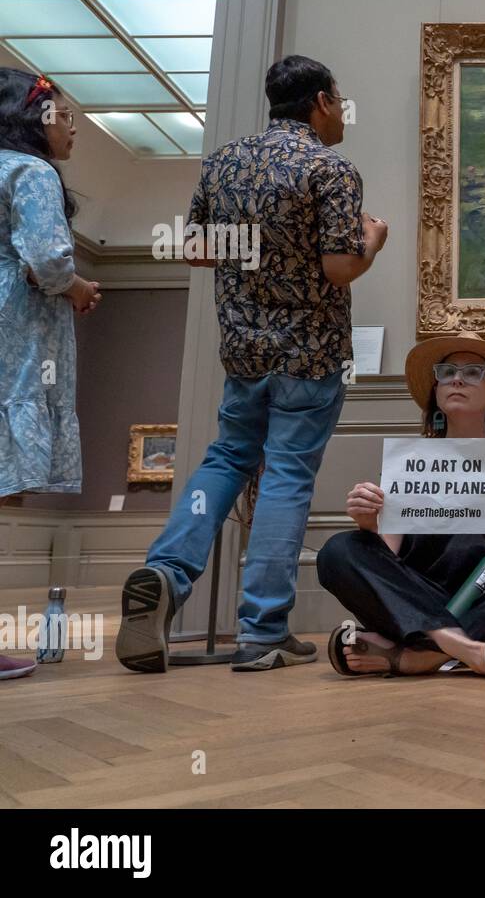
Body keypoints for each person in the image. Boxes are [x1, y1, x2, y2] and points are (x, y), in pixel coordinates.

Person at [115, 55, 388, 674]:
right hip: (310, 353)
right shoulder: (331, 168)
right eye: (338, 100)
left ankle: (164, 573)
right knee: (287, 477)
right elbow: (339, 268)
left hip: (244, 350)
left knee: (225, 461)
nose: (341, 111)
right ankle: (262, 630)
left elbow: (198, 250)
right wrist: (373, 242)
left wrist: (256, 251)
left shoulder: (224, 162)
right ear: (320, 100)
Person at [317, 331, 485, 678]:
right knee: (338, 550)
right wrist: (368, 523)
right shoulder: (412, 461)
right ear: (436, 391)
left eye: (473, 372)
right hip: (419, 596)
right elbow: (386, 553)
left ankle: (417, 656)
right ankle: (474, 652)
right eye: (446, 372)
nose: (457, 379)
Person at [1, 68, 101, 682]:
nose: (71, 129)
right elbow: (46, 259)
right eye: (65, 115)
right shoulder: (29, 171)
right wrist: (78, 287)